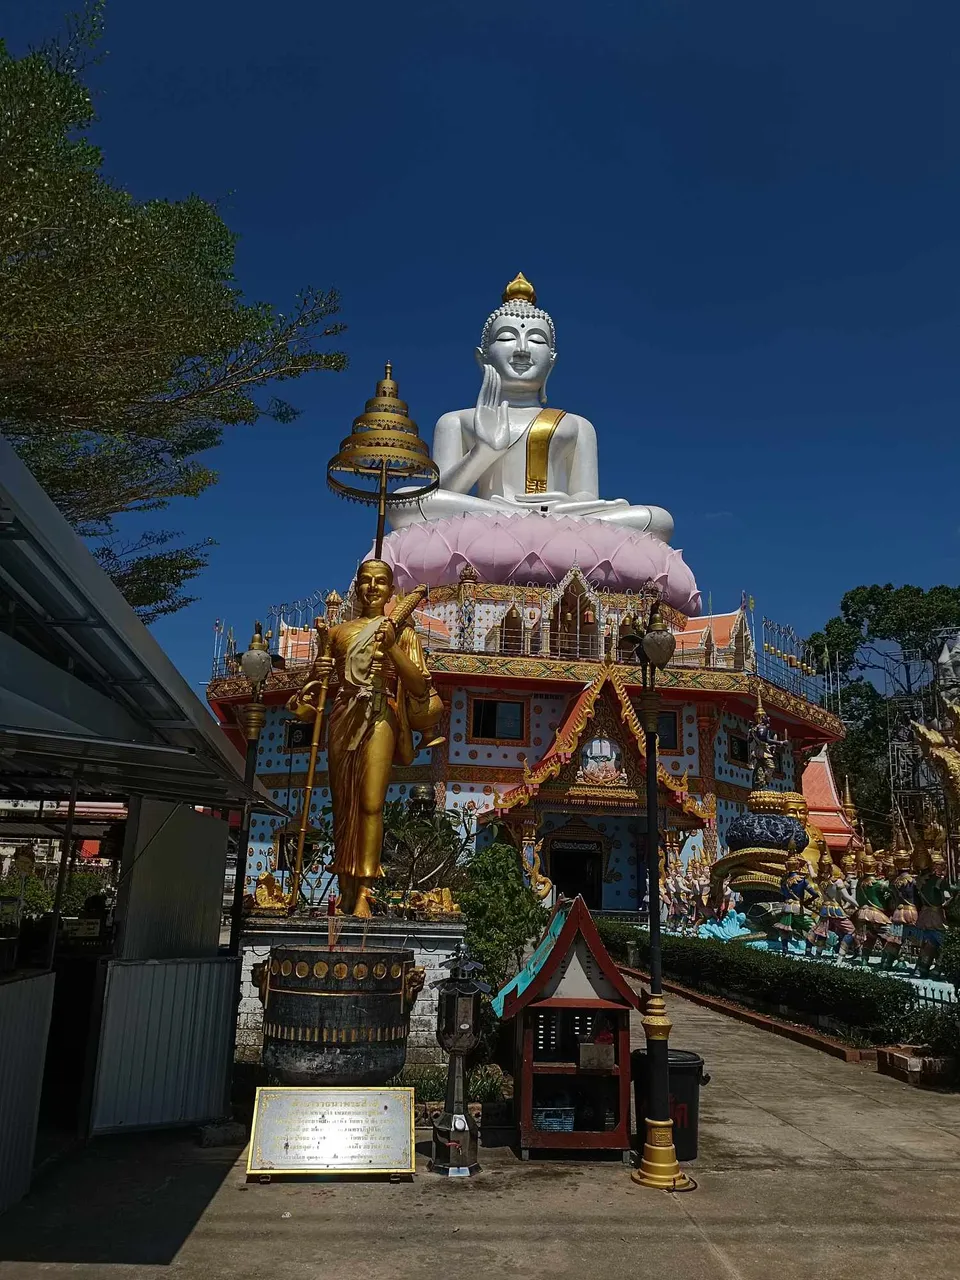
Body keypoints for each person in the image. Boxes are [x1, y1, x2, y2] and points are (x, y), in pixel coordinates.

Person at [292, 559, 441, 917]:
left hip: (380, 714)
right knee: (345, 805)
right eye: (365, 581)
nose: (372, 588)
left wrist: (391, 647)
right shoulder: (340, 632)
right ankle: (344, 886)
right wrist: (319, 673)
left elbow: (421, 685)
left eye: (381, 582)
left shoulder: (402, 631)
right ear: (356, 587)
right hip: (343, 714)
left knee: (371, 803)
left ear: (392, 591)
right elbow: (314, 690)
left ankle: (365, 889)